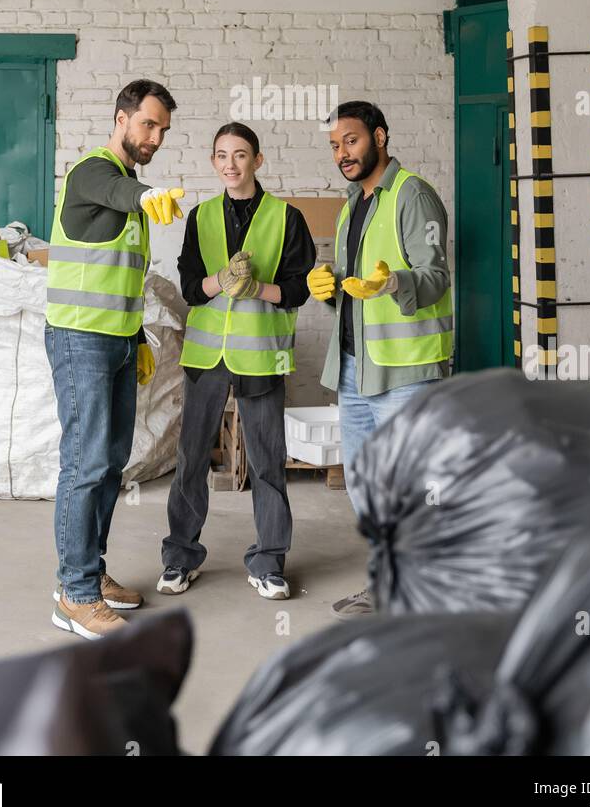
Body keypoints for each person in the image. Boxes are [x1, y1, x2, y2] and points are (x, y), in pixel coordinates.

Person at [47, 79, 184, 639]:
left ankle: (91, 573)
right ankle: (74, 595)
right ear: (122, 117)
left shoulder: (126, 184)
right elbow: (118, 191)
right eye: (148, 124)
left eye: (163, 131)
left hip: (117, 342)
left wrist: (137, 342)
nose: (155, 137)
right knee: (84, 464)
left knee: (110, 461)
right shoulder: (93, 172)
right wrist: (148, 195)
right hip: (81, 340)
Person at [307, 100, 452, 618]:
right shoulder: (351, 205)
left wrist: (394, 281)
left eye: (351, 140)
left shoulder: (412, 195)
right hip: (354, 367)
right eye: (334, 145)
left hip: (406, 370)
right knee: (364, 484)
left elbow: (436, 277)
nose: (342, 153)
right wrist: (326, 290)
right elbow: (355, 291)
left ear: (380, 137)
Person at [158, 122, 315, 601]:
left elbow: (299, 289)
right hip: (207, 357)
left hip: (260, 357)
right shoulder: (200, 217)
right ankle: (180, 557)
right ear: (213, 162)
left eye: (241, 154)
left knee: (267, 462)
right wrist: (220, 280)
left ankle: (269, 562)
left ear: (258, 161)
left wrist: (256, 289)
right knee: (190, 460)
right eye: (222, 155)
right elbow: (189, 288)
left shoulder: (286, 217)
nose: (231, 164)